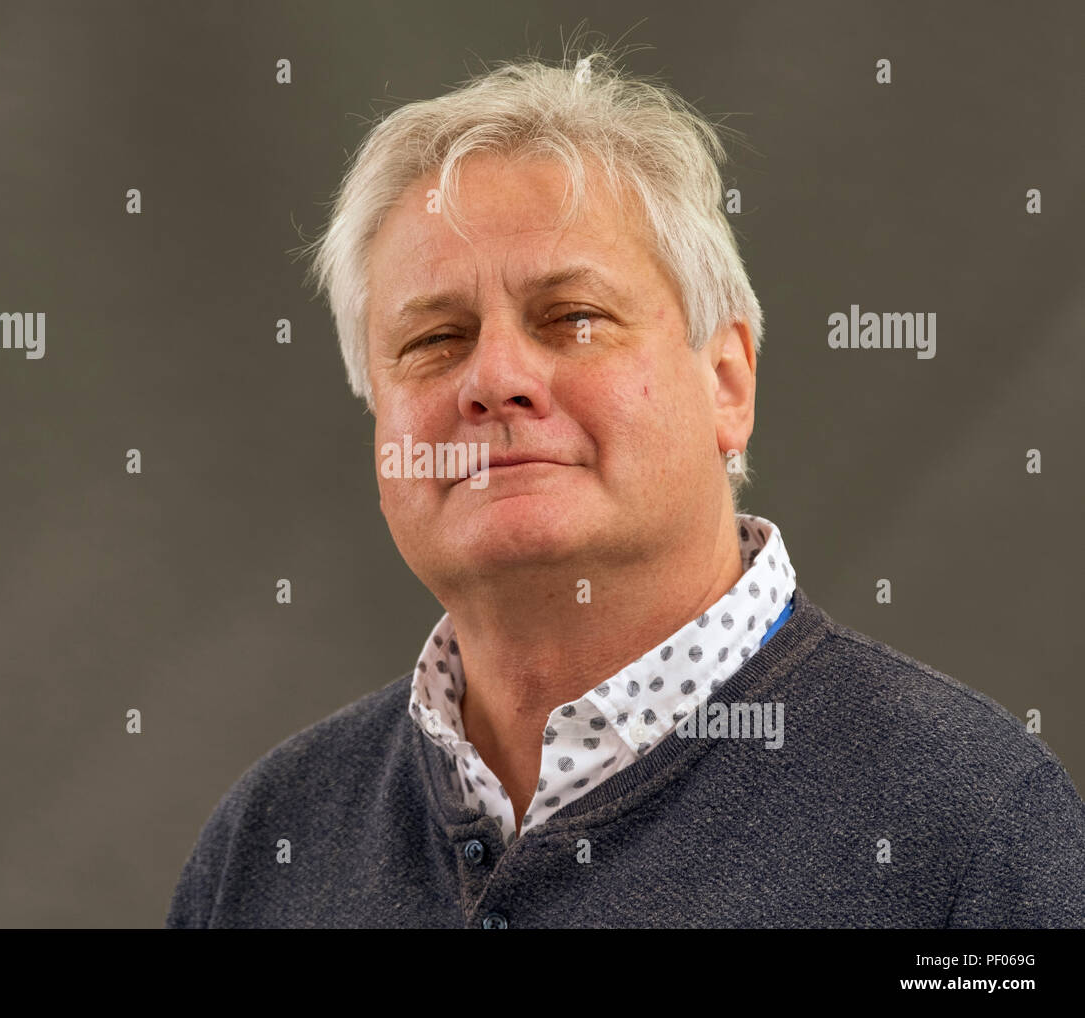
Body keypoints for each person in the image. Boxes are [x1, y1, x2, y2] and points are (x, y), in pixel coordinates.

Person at [167, 50, 1085, 928]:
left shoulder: (974, 834)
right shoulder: (265, 844)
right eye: (434, 339)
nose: (493, 378)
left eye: (572, 319)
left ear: (726, 381)